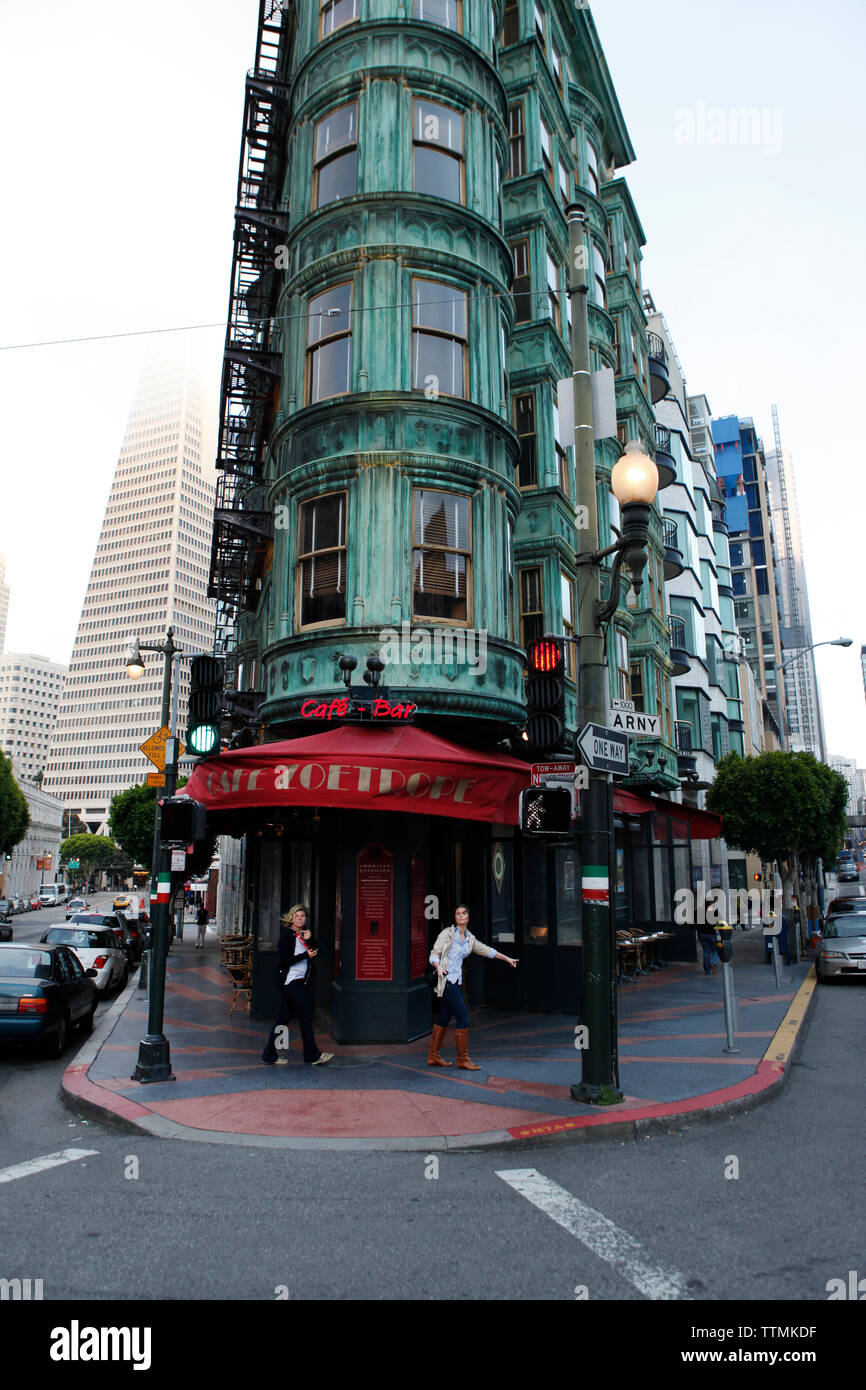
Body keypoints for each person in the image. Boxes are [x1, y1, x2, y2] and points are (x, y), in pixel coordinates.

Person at [428, 905, 518, 1069]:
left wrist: (506, 958)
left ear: (468, 917)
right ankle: (462, 1059)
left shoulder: (469, 939)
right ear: (455, 918)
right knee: (463, 1017)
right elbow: (434, 953)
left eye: (464, 913)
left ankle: (433, 1056)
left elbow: (486, 951)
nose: (461, 916)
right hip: (446, 981)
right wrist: (438, 967)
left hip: (456, 981)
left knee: (444, 1018)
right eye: (458, 914)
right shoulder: (447, 934)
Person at [262, 905, 334, 1067]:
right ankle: (312, 1055)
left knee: (284, 1017)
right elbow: (283, 961)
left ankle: (269, 1054)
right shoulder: (287, 936)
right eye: (297, 916)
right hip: (290, 982)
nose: (300, 918)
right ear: (291, 918)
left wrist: (311, 940)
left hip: (300, 982)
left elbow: (317, 952)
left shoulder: (302, 935)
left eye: (303, 916)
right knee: (306, 1014)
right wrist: (304, 955)